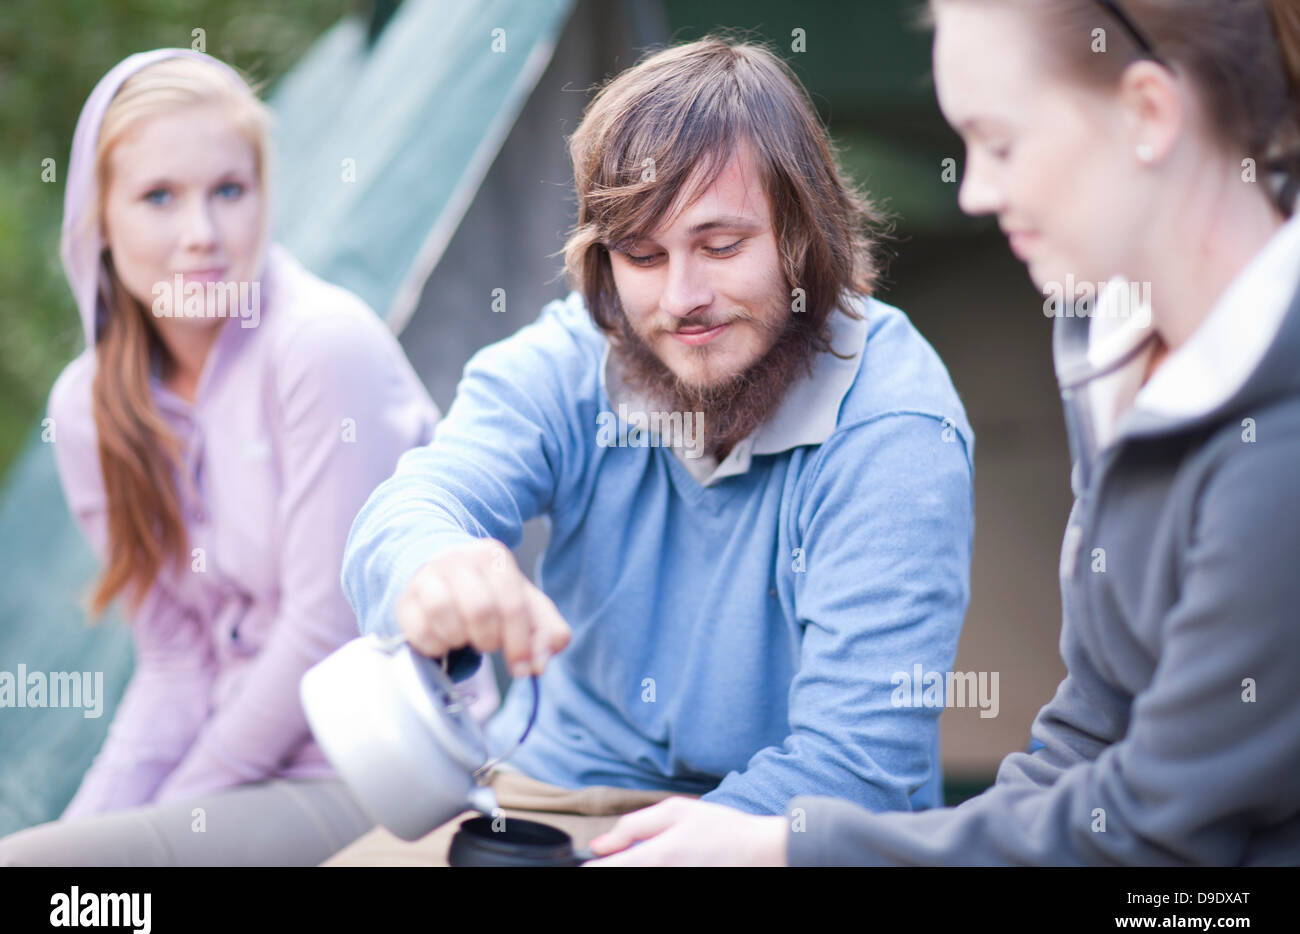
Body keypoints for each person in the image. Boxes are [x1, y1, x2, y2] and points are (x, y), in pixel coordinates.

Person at [586, 0, 1300, 866]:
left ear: (1149, 113)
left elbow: (1155, 832)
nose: (974, 190)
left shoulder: (1278, 453)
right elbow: (1090, 729)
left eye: (1000, 142)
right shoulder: (1103, 337)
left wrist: (789, 848)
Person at [324, 36, 975, 866]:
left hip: (786, 830)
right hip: (549, 792)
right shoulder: (572, 355)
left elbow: (856, 766)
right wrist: (434, 564)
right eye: (641, 254)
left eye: (721, 245)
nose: (680, 299)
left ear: (804, 236)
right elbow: (410, 507)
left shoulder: (896, 424)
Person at [0, 49, 497, 866]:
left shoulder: (320, 347)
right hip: (242, 780)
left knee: (50, 878)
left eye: (228, 191)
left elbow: (323, 629)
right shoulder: (87, 408)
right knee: (42, 864)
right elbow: (172, 663)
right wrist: (95, 823)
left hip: (382, 765)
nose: (201, 234)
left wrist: (175, 817)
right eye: (159, 197)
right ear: (99, 219)